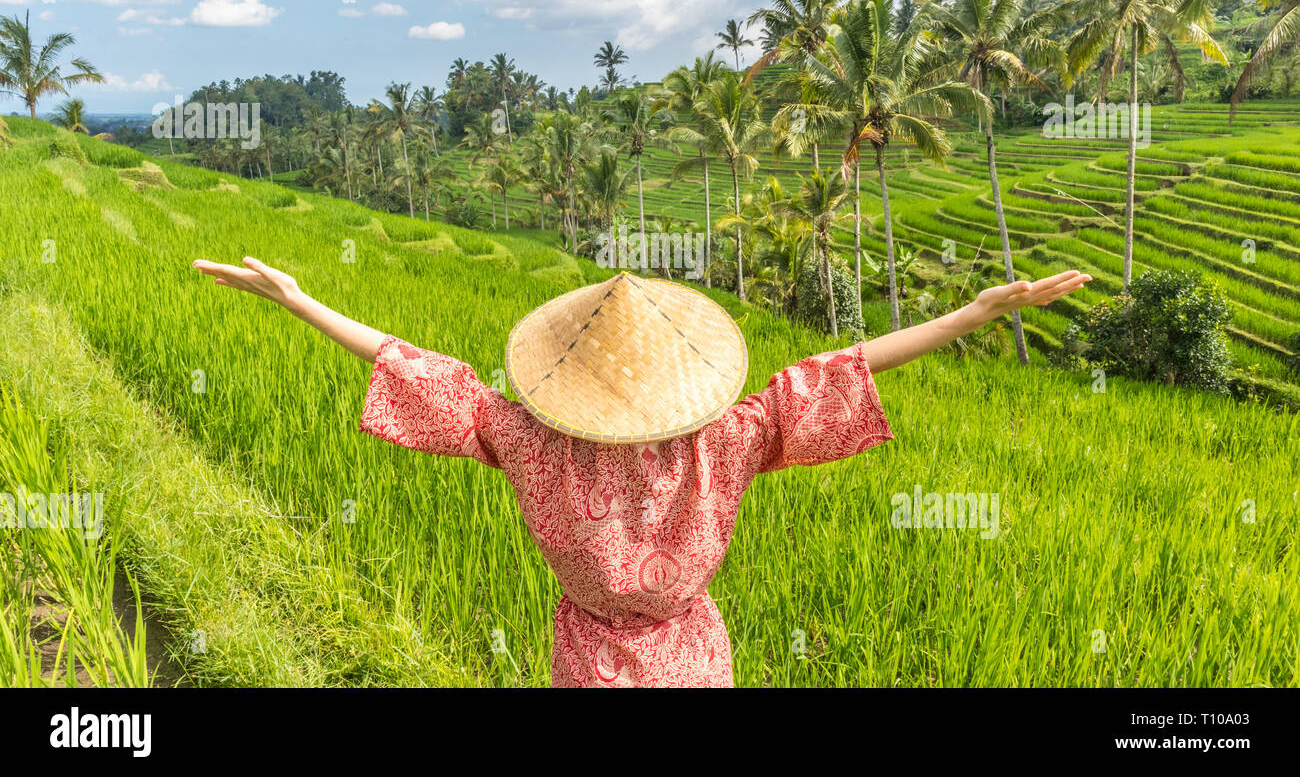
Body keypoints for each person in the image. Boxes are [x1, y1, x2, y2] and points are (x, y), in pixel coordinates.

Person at [192, 256, 1090, 687]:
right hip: (695, 657)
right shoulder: (726, 440)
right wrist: (969, 313)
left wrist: (306, 303)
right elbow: (842, 367)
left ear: (566, 377)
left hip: (588, 659)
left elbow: (422, 371)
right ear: (684, 380)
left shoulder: (531, 441)